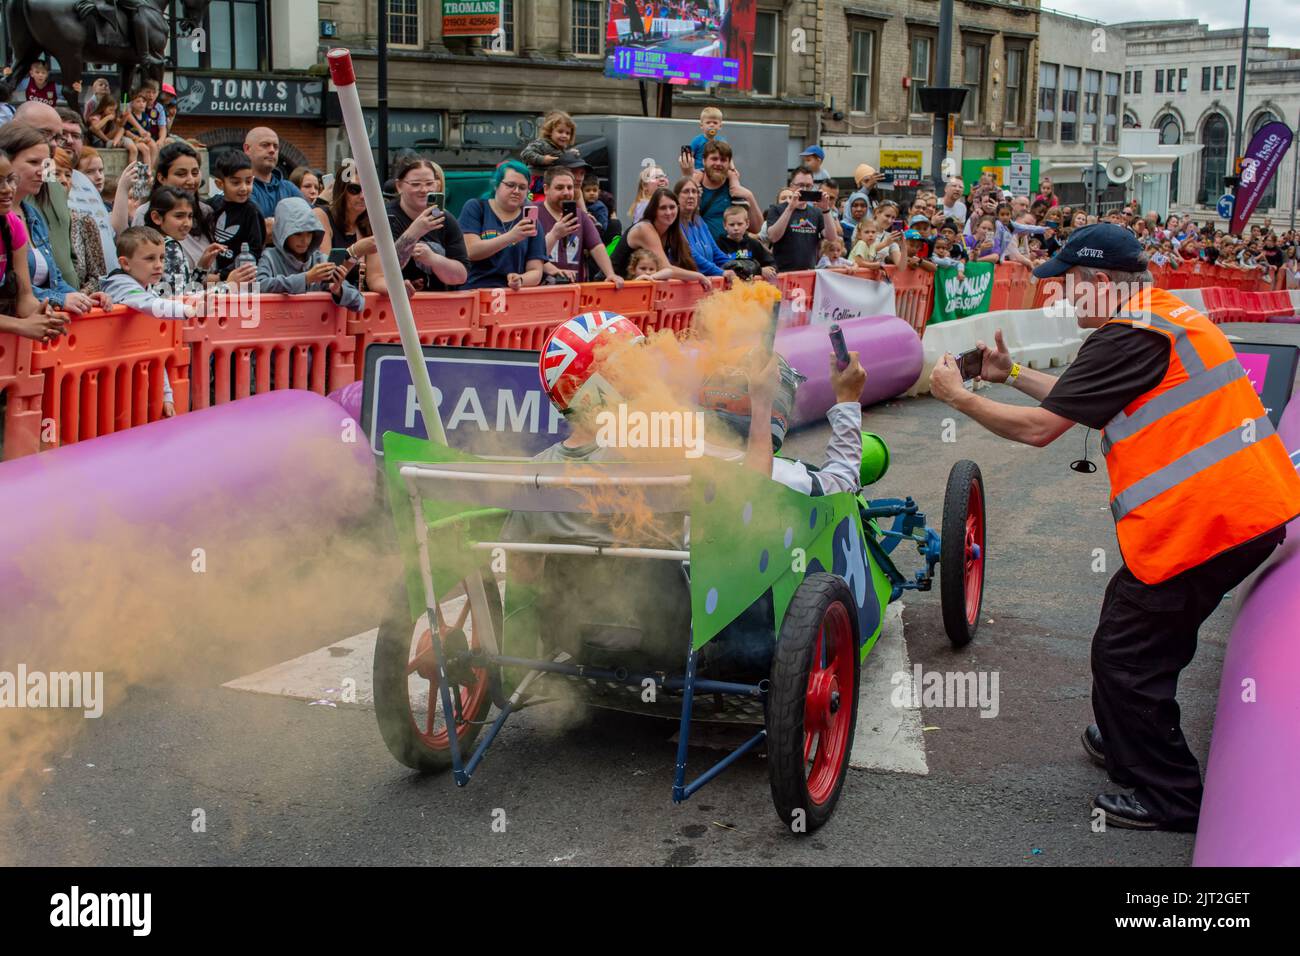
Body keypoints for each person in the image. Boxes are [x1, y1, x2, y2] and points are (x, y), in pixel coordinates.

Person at [928, 223, 1300, 832]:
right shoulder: (1156, 318)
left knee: (1125, 653)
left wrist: (958, 397)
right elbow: (1080, 399)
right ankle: (1129, 736)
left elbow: (1040, 429)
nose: (1062, 300)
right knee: (1138, 630)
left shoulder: (1128, 335)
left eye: (1068, 287)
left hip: (1213, 521)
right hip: (1236, 511)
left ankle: (1169, 797)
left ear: (1100, 282)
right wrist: (1009, 374)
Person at [100, 226, 199, 418]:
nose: (159, 265)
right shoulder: (120, 284)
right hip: (109, 382)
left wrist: (166, 394)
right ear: (125, 263)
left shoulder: (147, 289)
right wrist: (186, 310)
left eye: (161, 258)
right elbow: (149, 304)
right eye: (149, 259)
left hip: (130, 382)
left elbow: (154, 352)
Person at [369, 156, 468, 294]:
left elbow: (460, 276)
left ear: (437, 184)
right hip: (397, 307)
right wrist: (415, 232)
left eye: (429, 183)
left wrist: (434, 259)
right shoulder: (386, 218)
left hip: (439, 305)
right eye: (415, 184)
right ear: (399, 186)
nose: (424, 190)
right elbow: (380, 273)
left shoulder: (445, 219)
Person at [0, 143, 64, 344]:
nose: (7, 189)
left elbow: (24, 298)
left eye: (10, 180)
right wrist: (21, 325)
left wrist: (45, 316)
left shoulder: (13, 225)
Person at [257, 196, 364, 313]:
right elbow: (258, 286)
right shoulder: (269, 257)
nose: (305, 240)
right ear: (282, 231)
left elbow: (359, 303)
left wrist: (338, 290)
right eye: (297, 234)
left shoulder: (320, 259)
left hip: (317, 328)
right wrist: (306, 278)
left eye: (309, 233)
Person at [459, 159, 545, 291]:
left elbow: (535, 271)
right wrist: (511, 236)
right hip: (475, 290)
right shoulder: (476, 207)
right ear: (496, 185)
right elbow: (471, 251)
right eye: (510, 185)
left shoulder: (531, 221)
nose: (516, 191)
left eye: (522, 187)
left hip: (511, 295)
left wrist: (520, 279)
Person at [533, 166, 622, 285]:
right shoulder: (534, 213)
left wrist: (610, 274)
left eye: (570, 188)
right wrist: (556, 271)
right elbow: (531, 256)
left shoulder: (581, 216)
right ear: (546, 189)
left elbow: (597, 247)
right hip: (543, 290)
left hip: (576, 289)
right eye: (559, 188)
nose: (566, 192)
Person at [607, 187, 711, 288]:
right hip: (609, 287)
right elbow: (666, 268)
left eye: (672, 207)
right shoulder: (644, 228)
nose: (668, 212)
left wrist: (721, 272)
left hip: (632, 290)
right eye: (663, 208)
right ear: (653, 210)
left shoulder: (672, 231)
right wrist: (699, 276)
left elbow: (692, 257)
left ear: (678, 208)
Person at [54, 107, 116, 265]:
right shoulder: (44, 177)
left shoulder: (84, 180)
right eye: (63, 134)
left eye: (75, 136)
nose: (69, 140)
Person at [147, 186, 223, 293]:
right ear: (156, 218)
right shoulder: (170, 247)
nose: (187, 223)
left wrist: (202, 267)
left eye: (190, 216)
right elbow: (180, 295)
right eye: (179, 216)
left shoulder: (148, 242)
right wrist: (225, 286)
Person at [765, 167, 841, 272]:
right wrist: (790, 208)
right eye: (801, 185)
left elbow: (832, 237)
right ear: (792, 187)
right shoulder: (777, 209)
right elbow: (773, 237)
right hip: (782, 272)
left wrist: (826, 209)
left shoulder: (816, 212)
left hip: (808, 272)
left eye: (809, 186)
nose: (805, 190)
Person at [207, 150, 267, 281]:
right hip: (211, 272)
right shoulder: (213, 205)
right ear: (220, 184)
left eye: (248, 181)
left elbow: (255, 250)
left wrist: (224, 275)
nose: (244, 188)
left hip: (240, 277)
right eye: (236, 183)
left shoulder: (252, 212)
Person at [687, 139, 761, 242]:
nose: (718, 163)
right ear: (704, 161)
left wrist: (750, 196)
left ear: (729, 163)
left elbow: (756, 229)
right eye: (714, 158)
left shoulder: (737, 192)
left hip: (732, 255)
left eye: (723, 160)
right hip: (702, 253)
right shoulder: (693, 191)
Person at [673, 178, 736, 281]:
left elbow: (716, 251)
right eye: (686, 191)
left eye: (694, 192)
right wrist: (720, 272)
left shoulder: (700, 221)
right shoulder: (674, 223)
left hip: (706, 282)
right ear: (676, 197)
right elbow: (690, 254)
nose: (691, 196)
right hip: (687, 283)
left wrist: (735, 266)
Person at [243, 127, 303, 220]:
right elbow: (257, 227)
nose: (272, 150)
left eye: (276, 146)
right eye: (265, 145)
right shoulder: (242, 189)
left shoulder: (289, 188)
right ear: (247, 149)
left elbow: (311, 220)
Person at [519, 110, 581, 192]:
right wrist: (542, 159)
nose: (564, 135)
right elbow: (525, 153)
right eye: (560, 131)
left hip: (551, 182)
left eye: (567, 133)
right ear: (550, 132)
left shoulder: (559, 148)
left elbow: (559, 158)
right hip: (537, 181)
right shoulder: (542, 144)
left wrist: (569, 154)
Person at [716, 204, 776, 280]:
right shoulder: (718, 245)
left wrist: (769, 269)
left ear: (747, 224)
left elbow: (772, 263)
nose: (736, 228)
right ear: (725, 225)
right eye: (732, 225)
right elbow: (724, 267)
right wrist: (759, 270)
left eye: (740, 224)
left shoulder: (754, 244)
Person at [686, 106, 726, 171]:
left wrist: (732, 168)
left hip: (716, 169)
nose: (712, 125)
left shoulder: (722, 141)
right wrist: (692, 170)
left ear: (720, 126)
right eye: (708, 122)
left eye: (715, 123)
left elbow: (727, 156)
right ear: (702, 126)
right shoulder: (697, 141)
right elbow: (690, 157)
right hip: (699, 170)